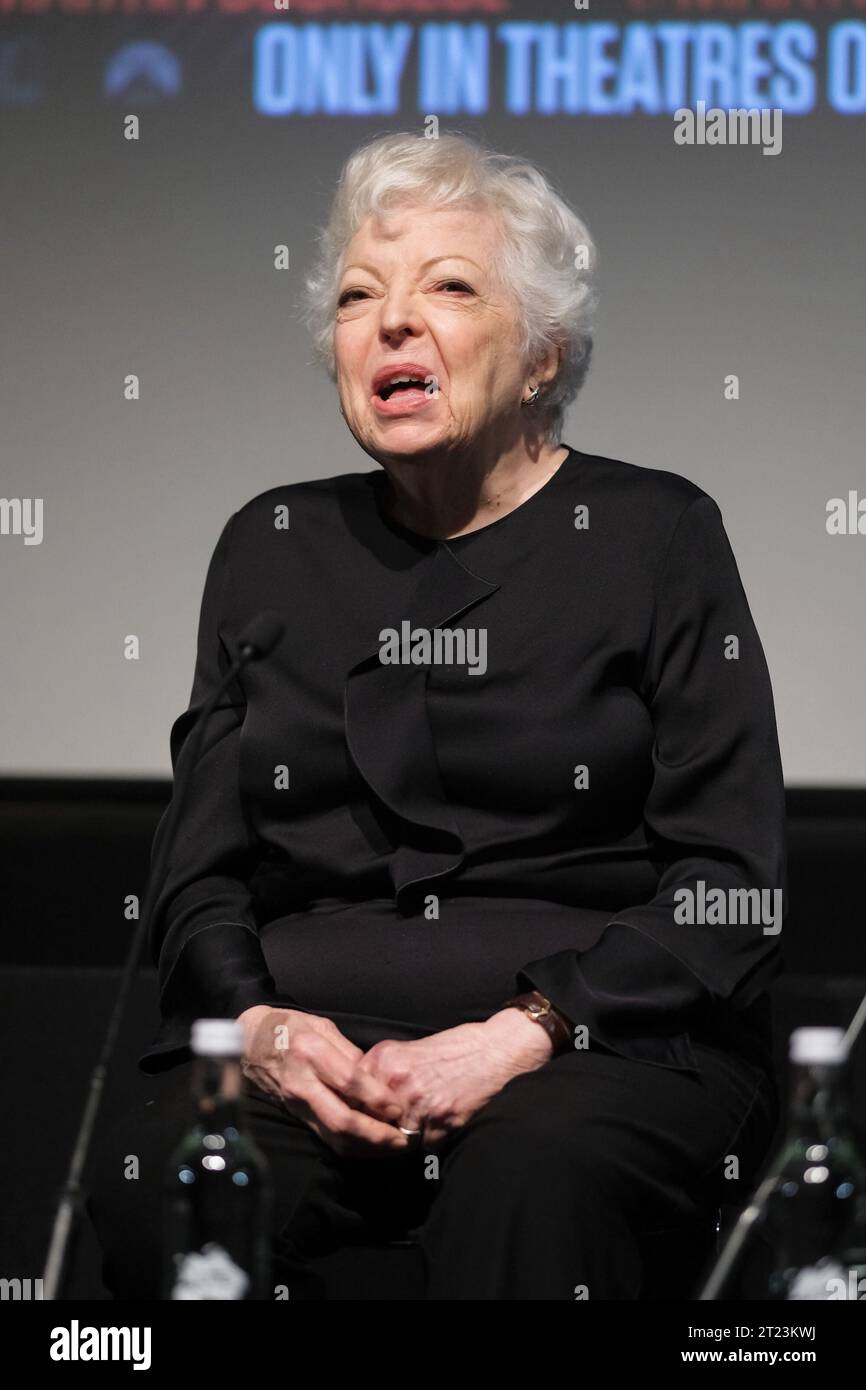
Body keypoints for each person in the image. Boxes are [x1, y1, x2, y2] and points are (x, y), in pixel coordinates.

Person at [86, 130, 786, 1300]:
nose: (390, 323)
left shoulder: (654, 535)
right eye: (360, 297)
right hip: (313, 1048)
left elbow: (728, 880)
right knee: (167, 1177)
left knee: (532, 1176)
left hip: (594, 1042)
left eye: (447, 288)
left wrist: (521, 1032)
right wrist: (264, 1032)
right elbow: (198, 880)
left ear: (540, 356)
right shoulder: (273, 545)